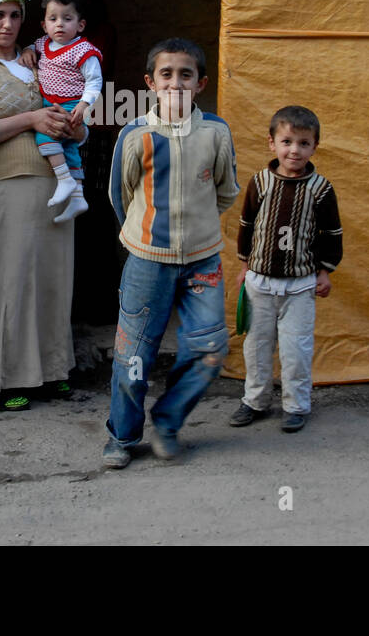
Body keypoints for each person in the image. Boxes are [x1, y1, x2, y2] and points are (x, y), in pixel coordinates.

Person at [102, 38, 239, 469]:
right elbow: (121, 196)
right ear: (150, 82)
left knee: (209, 348)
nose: (176, 82)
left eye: (186, 75)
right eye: (167, 74)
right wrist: (149, 235)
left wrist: (193, 228)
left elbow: (223, 191)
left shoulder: (215, 132)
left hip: (203, 261)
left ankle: (168, 422)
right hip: (147, 261)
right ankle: (122, 437)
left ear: (201, 83)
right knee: (133, 356)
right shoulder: (134, 135)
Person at [0, 0, 82, 411]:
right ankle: (7, 378)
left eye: (14, 15)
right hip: (4, 186)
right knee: (8, 279)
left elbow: (67, 115)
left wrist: (72, 126)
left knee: (53, 277)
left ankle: (53, 370)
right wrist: (31, 119)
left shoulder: (40, 60)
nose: (7, 24)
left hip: (56, 182)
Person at [230, 105, 342, 434]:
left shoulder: (321, 189)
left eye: (304, 143)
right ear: (272, 143)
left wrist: (324, 272)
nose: (295, 150)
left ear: (314, 146)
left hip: (300, 285)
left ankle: (295, 405)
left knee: (296, 349)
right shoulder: (260, 182)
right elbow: (246, 224)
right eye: (287, 141)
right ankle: (255, 400)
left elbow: (331, 234)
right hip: (260, 283)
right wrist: (245, 265)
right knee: (256, 345)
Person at [18, 0, 103, 223]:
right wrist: (26, 50)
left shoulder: (84, 50)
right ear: (44, 25)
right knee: (69, 148)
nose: (60, 25)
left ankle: (64, 179)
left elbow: (95, 80)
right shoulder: (42, 44)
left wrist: (85, 104)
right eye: (53, 19)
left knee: (45, 137)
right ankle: (77, 196)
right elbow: (30, 46)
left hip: (73, 103)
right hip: (51, 101)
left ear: (81, 25)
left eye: (68, 19)